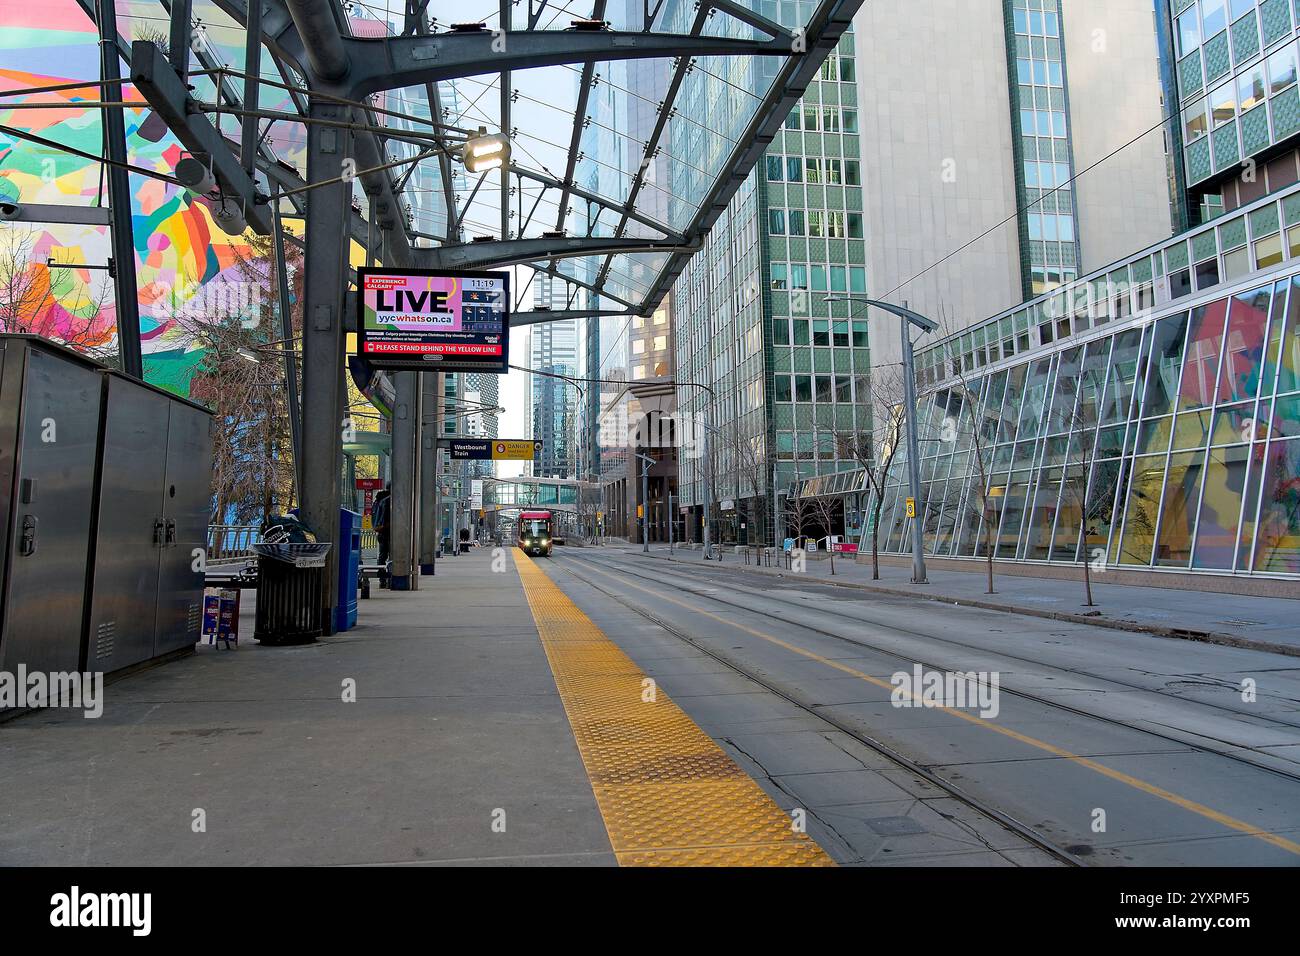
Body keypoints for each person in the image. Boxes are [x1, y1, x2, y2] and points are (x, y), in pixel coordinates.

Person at [372, 484, 391, 586]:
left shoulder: (379, 499)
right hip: (390, 532)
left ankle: (382, 579)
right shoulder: (389, 501)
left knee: (382, 555)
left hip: (381, 532)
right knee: (392, 556)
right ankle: (391, 577)